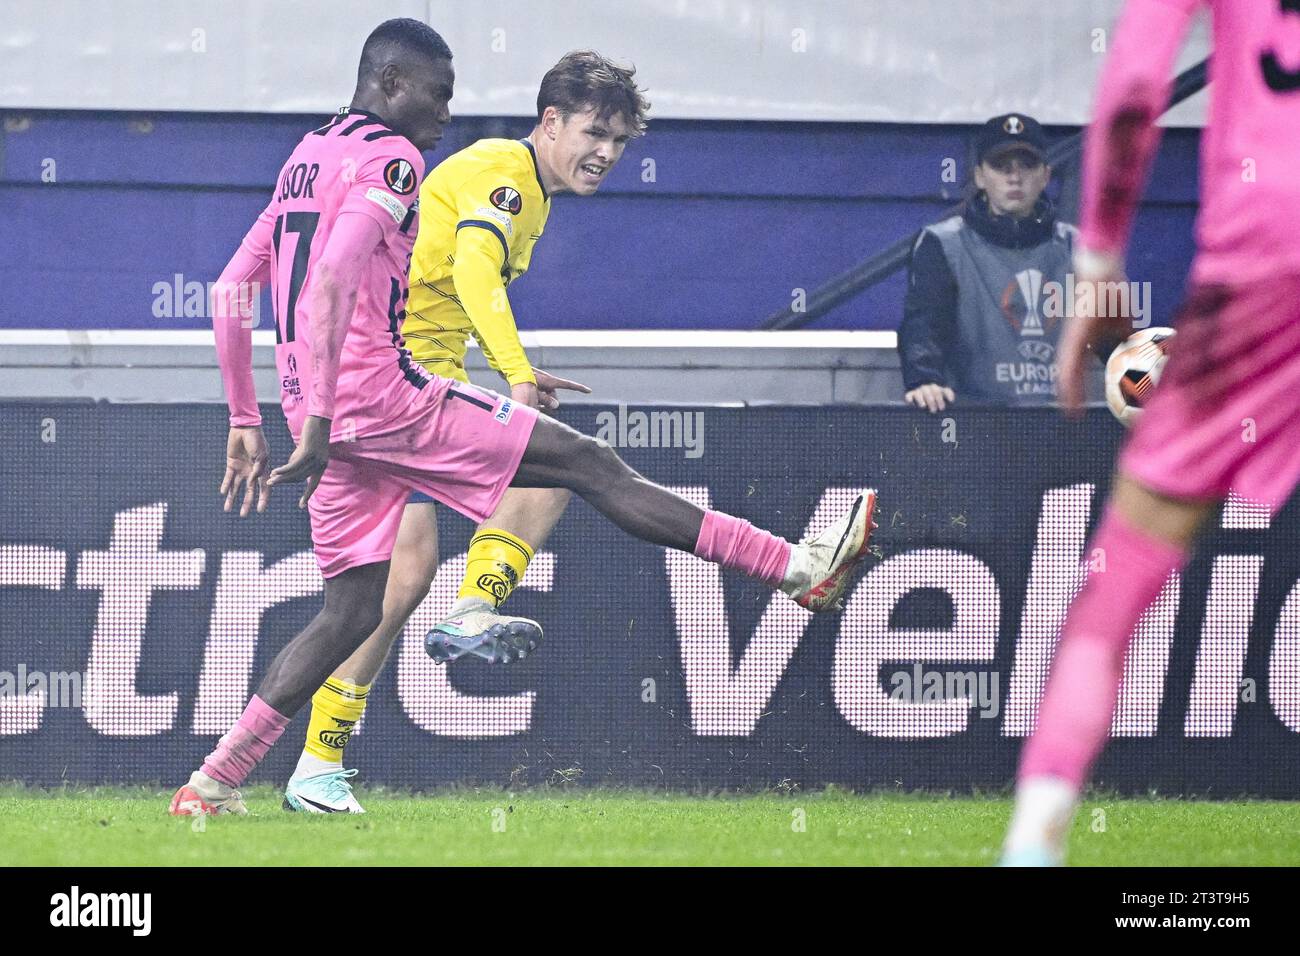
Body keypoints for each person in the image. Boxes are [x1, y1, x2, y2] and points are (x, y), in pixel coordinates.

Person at [170, 17, 878, 817]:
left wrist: (250, 416)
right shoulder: (402, 162)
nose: (446, 115)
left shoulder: (307, 156)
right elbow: (344, 277)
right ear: (392, 83)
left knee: (354, 609)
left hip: (320, 411)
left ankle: (215, 781)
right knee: (585, 465)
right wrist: (379, 404)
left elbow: (233, 287)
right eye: (439, 97)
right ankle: (794, 568)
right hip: (382, 397)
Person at [283, 51, 645, 814]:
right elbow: (476, 273)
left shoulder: (522, 188)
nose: (607, 153)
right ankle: (474, 606)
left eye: (619, 141)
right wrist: (514, 373)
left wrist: (499, 370)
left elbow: (440, 284)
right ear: (550, 122)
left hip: (404, 380)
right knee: (552, 470)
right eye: (595, 132)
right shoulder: (505, 175)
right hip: (392, 389)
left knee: (400, 578)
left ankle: (315, 768)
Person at [1002, 0, 1300, 865]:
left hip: (1263, 261)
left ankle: (1032, 848)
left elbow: (1134, 84)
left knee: (1117, 588)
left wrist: (1097, 262)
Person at [899, 113, 1102, 411]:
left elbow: (1116, 336)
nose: (1014, 177)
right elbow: (924, 325)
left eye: (1027, 165)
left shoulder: (1078, 247)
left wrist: (1149, 386)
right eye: (1001, 166)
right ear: (980, 176)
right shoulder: (942, 244)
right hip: (972, 425)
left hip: (1062, 429)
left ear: (1045, 176)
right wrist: (924, 379)